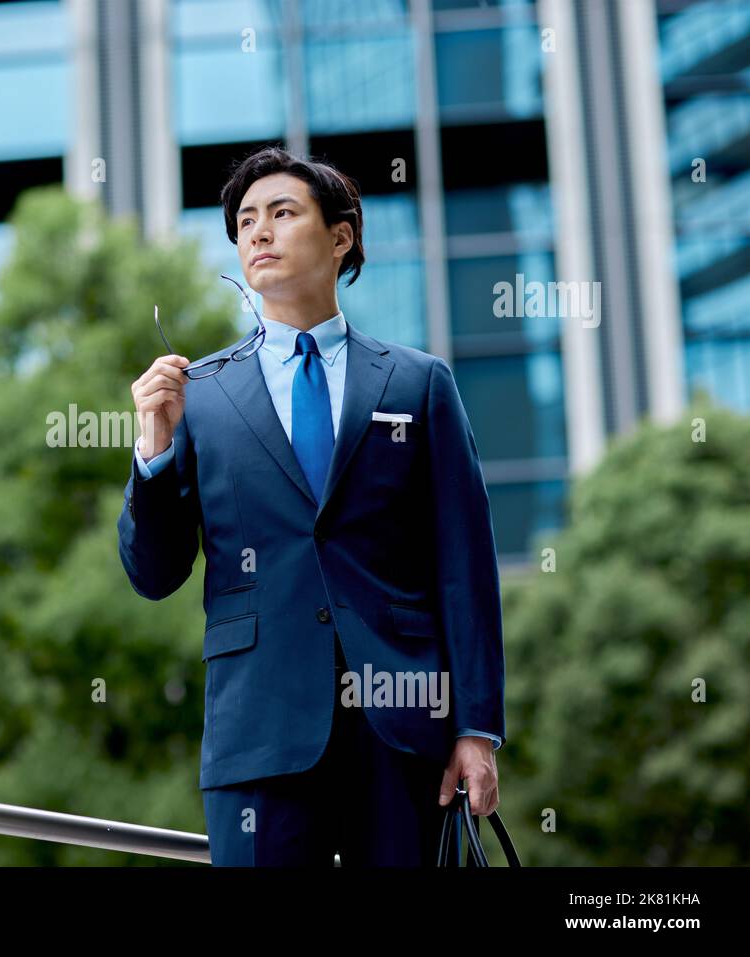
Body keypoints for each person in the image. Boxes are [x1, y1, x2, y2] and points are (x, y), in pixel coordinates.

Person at [117, 146, 504, 866]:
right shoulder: (198, 395)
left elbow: (466, 568)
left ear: (340, 236)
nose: (258, 231)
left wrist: (477, 728)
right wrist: (154, 451)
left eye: (282, 213)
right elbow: (154, 571)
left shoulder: (418, 384)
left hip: (404, 726)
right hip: (258, 732)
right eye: (244, 221)